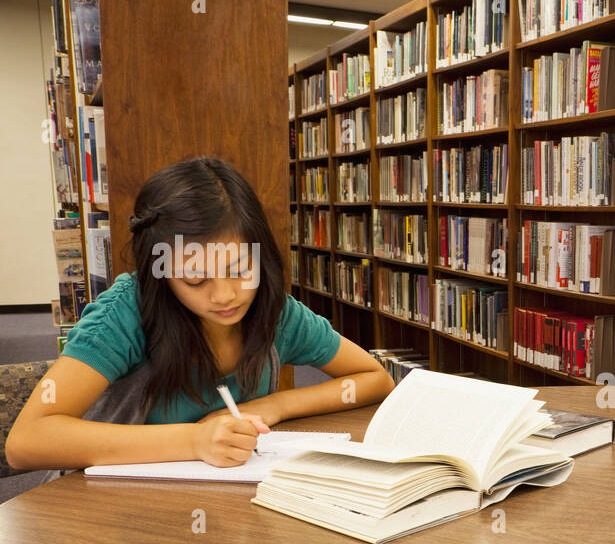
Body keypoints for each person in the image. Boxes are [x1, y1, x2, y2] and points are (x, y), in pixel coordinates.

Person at [5, 156, 395, 473]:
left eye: (241, 269)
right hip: (116, 516)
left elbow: (374, 379)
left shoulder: (273, 312)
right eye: (195, 279)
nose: (226, 295)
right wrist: (194, 441)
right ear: (159, 272)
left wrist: (273, 406)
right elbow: (25, 443)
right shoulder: (125, 315)